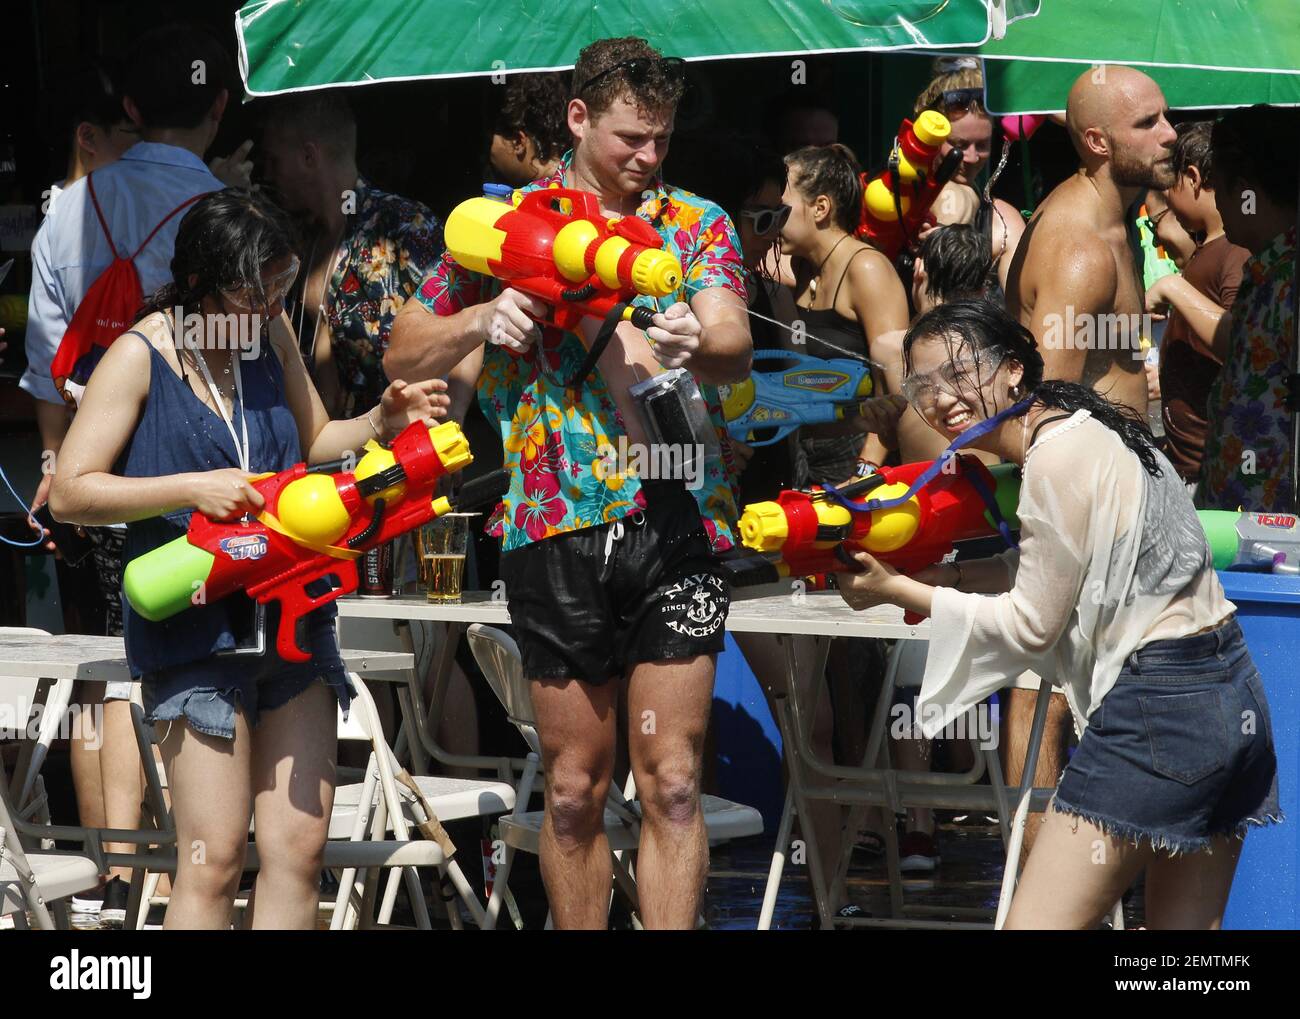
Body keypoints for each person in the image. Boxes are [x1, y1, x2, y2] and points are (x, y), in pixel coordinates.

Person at [385, 36, 751, 929]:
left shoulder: (692, 221)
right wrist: (482, 312)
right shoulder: (501, 225)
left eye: (661, 139)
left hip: (676, 517)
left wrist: (690, 343)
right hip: (551, 524)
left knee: (670, 782)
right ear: (578, 118)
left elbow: (736, 337)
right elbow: (403, 346)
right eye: (631, 136)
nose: (648, 156)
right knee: (577, 788)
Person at [48, 189, 450, 930]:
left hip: (291, 618)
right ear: (204, 280)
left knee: (298, 850)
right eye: (254, 290)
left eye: (281, 287)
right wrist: (192, 486)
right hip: (195, 631)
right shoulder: (142, 353)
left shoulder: (272, 339)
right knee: (213, 857)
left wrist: (382, 422)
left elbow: (321, 437)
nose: (270, 307)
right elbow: (70, 492)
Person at [836, 299, 1278, 929]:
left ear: (1013, 369)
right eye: (924, 386)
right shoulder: (1091, 428)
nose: (942, 400)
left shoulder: (1055, 456)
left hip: (1160, 708)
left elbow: (1031, 624)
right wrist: (951, 576)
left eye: (961, 375)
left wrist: (896, 590)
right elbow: (1059, 572)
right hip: (1230, 698)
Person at [20, 25, 241, 927]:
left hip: (93, 472)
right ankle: (187, 868)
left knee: (110, 664)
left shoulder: (65, 213)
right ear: (221, 111)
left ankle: (117, 870)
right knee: (205, 664)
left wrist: (54, 461)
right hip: (199, 468)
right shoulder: (233, 212)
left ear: (132, 111)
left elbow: (44, 361)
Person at [1002, 66, 1177, 845]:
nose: (1170, 134)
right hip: (1088, 509)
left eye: (1165, 118)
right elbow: (1043, 412)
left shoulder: (1118, 226)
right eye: (1148, 124)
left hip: (1123, 502)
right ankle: (1038, 886)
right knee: (1046, 693)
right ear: (1098, 141)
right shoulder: (1081, 248)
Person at [258, 91, 446, 418]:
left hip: (404, 448)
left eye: (275, 161)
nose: (268, 175)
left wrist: (451, 418)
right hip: (328, 447)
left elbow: (464, 320)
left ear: (308, 157)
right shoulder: (297, 238)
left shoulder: (404, 226)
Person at [779, 143, 909, 485]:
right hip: (805, 456)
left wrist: (866, 472)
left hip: (855, 460)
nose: (771, 216)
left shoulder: (866, 268)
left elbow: (896, 389)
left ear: (820, 207)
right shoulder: (801, 269)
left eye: (780, 207)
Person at [1196, 105, 1300, 513]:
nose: (1218, 204)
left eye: (1218, 188)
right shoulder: (1266, 272)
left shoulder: (1290, 280)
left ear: (1246, 193)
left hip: (1280, 546)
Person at [1143, 122, 1251, 494]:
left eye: (1168, 189)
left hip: (1217, 468)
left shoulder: (1235, 251)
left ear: (1191, 177)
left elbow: (1240, 341)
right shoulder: (1210, 249)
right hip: (1194, 463)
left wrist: (1174, 288)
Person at [913, 60, 1025, 289]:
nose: (972, 157)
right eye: (959, 145)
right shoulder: (891, 198)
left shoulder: (1004, 223)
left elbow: (1020, 314)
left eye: (982, 144)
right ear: (928, 136)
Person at [487, 72, 570, 187]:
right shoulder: (578, 180)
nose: (487, 156)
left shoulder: (542, 198)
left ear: (518, 142)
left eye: (488, 142)